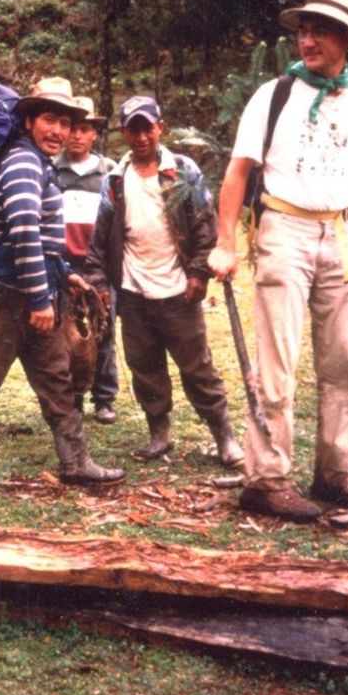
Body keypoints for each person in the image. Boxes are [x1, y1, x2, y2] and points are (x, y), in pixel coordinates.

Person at [208, 0, 348, 522]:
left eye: (320, 30)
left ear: (347, 38)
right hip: (283, 230)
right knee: (277, 361)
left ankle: (333, 473)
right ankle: (266, 479)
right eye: (304, 28)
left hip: (344, 236)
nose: (308, 39)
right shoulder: (273, 96)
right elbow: (238, 173)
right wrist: (225, 243)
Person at [0, 78, 125, 488]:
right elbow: (23, 232)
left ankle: (76, 462)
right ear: (28, 121)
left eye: (65, 122)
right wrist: (40, 299)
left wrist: (66, 276)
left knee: (57, 377)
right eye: (49, 120)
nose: (58, 131)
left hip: (38, 288)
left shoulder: (37, 163)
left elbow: (40, 241)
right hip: (8, 296)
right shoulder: (24, 163)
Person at [85, 95, 245, 469]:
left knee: (198, 368)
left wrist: (198, 272)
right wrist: (98, 282)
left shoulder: (183, 171)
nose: (141, 136)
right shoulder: (115, 179)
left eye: (147, 128)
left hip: (178, 292)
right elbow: (100, 235)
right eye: (133, 129)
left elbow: (205, 224)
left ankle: (225, 437)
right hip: (133, 292)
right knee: (145, 367)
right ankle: (160, 433)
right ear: (123, 132)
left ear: (161, 128)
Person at [53, 96, 119, 425]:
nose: (77, 136)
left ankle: (104, 398)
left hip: (98, 266)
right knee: (67, 334)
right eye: (72, 129)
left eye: (84, 129)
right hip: (63, 267)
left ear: (94, 134)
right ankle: (73, 396)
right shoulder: (53, 171)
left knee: (103, 331)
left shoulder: (110, 173)